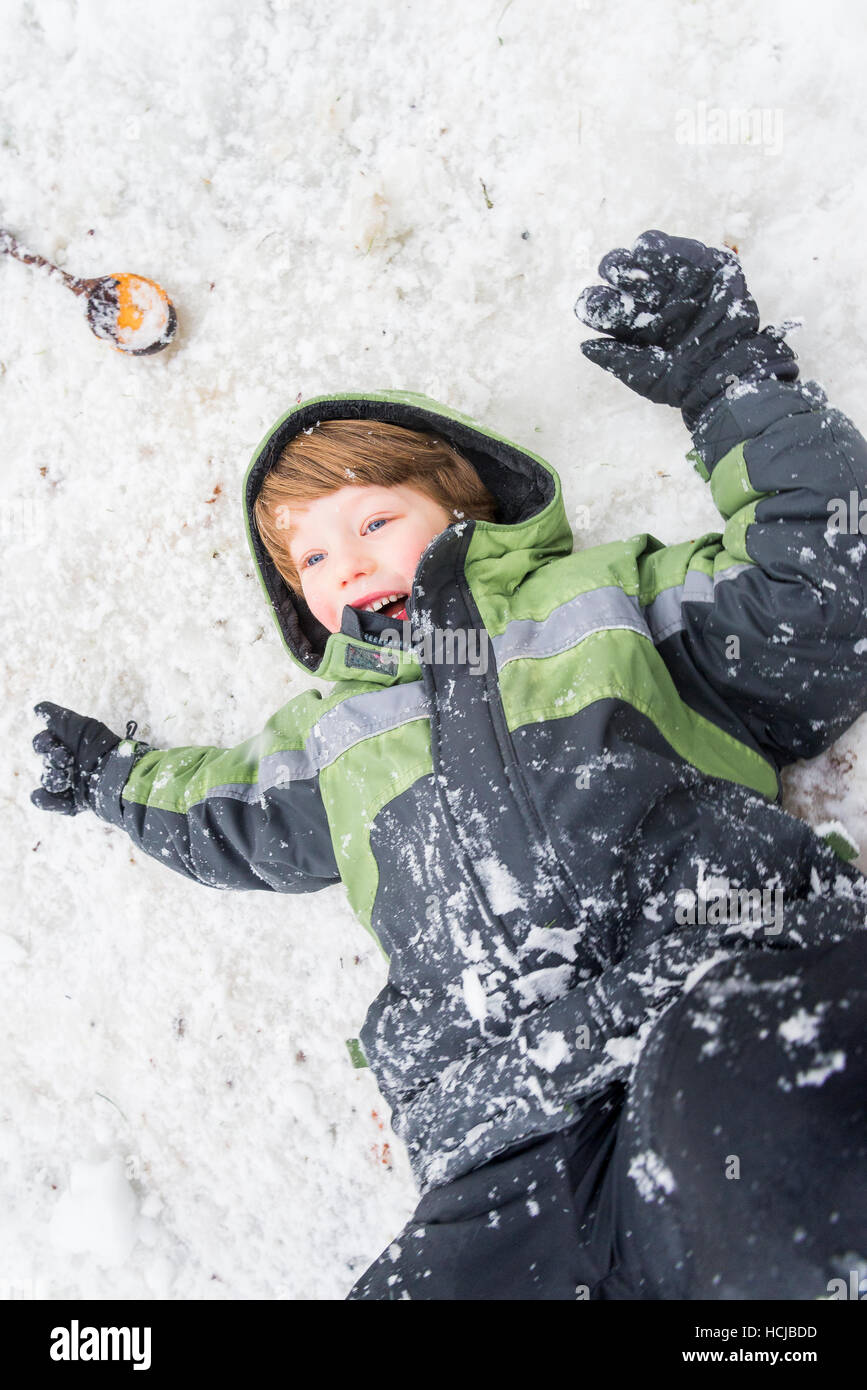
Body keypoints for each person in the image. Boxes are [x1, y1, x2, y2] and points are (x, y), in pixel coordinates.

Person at [31, 231, 867, 1299]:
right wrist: (113, 779)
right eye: (315, 559)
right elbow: (223, 814)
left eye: (376, 519)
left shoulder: (605, 607)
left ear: (466, 509)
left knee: (784, 1175)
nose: (352, 562)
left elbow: (816, 591)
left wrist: (725, 373)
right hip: (500, 1129)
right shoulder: (332, 741)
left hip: (697, 993)